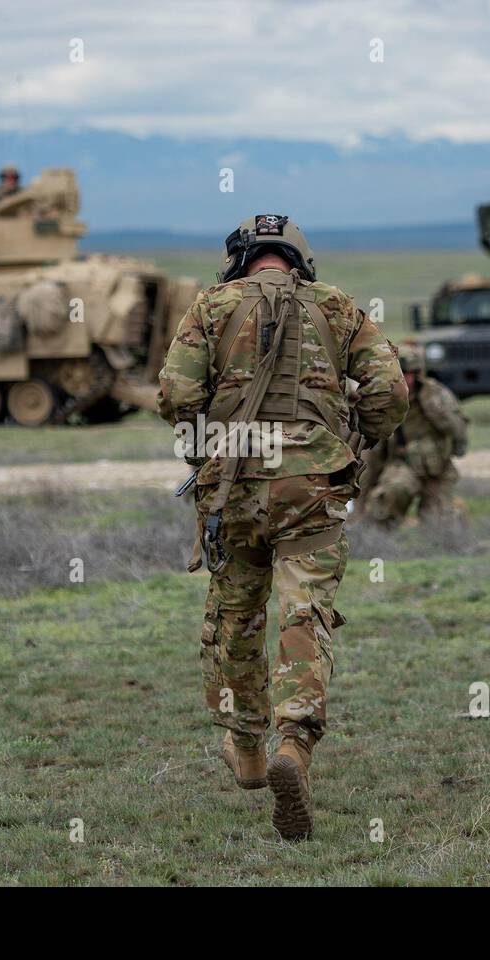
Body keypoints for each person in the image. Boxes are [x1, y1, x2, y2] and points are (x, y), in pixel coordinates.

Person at [158, 214, 408, 840]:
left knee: (236, 614)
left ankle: (245, 747)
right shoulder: (338, 307)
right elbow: (389, 390)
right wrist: (351, 441)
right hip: (312, 486)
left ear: (240, 260)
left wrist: (205, 450)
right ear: (299, 260)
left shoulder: (211, 307)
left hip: (234, 487)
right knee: (306, 613)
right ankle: (293, 744)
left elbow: (177, 394)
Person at [362, 343, 469, 526]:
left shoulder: (436, 395)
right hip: (403, 466)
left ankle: (454, 516)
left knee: (439, 526)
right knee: (392, 493)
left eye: (409, 374)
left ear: (418, 374)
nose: (405, 379)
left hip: (437, 470)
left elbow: (459, 431)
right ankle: (382, 533)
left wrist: (436, 411)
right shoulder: (385, 401)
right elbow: (373, 451)